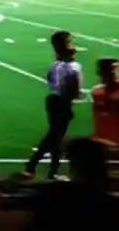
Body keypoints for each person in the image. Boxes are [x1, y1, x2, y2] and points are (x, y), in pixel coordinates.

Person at [25, 31, 84, 180]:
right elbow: (74, 89)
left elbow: (50, 80)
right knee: (55, 136)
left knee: (57, 137)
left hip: (53, 99)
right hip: (63, 102)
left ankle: (52, 170)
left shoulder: (55, 65)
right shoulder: (74, 67)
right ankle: (33, 163)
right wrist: (74, 96)